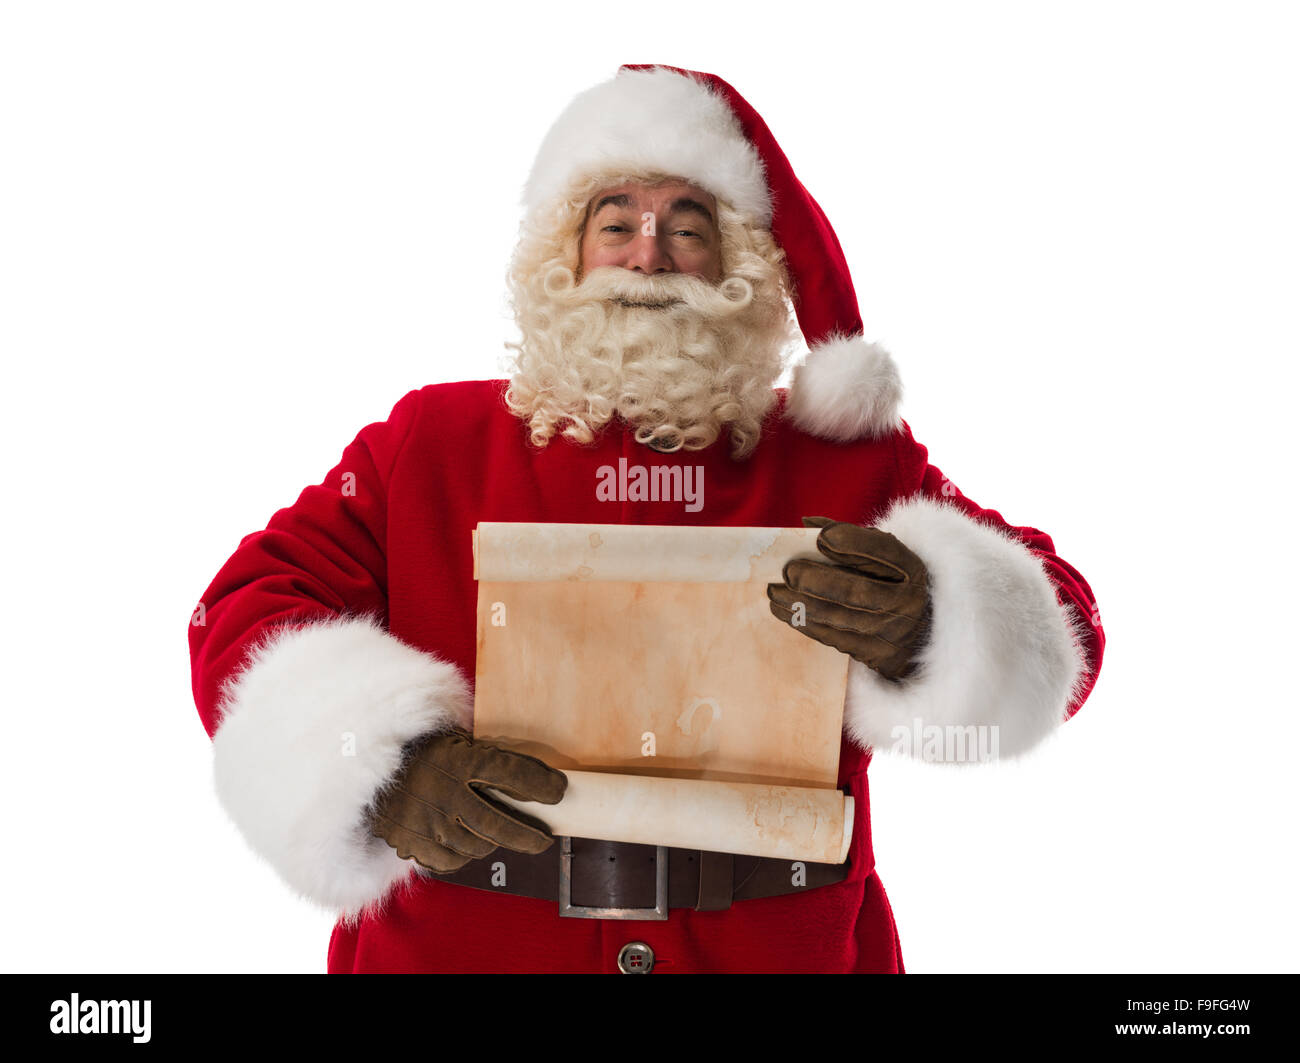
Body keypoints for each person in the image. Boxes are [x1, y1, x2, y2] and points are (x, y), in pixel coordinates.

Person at [188, 64, 1105, 974]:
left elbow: (1065, 616)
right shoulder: (429, 443)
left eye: (689, 226)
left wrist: (936, 623)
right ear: (564, 258)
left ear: (742, 261)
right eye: (615, 223)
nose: (648, 253)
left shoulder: (850, 459)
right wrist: (384, 768)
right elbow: (251, 600)